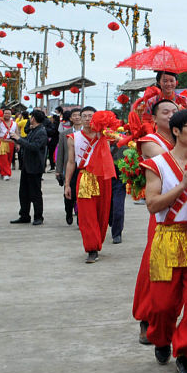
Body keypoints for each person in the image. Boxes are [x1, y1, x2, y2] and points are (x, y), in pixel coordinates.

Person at [142, 109, 187, 373]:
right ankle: (161, 339)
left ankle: (186, 354)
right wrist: (184, 185)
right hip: (168, 237)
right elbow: (152, 205)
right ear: (175, 131)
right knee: (162, 305)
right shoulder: (157, 164)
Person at [131, 99, 180, 344]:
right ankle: (146, 317)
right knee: (154, 264)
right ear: (154, 118)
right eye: (165, 111)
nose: (171, 115)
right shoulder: (150, 143)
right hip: (164, 214)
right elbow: (173, 162)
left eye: (175, 112)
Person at [64, 106, 116, 263]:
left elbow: (121, 140)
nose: (87, 119)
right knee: (87, 215)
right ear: (79, 118)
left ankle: (97, 243)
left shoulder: (105, 135)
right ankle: (91, 249)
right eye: (84, 116)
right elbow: (71, 162)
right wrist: (67, 184)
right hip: (85, 177)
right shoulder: (73, 137)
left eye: (90, 116)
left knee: (102, 213)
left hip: (103, 178)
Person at [10, 110, 48, 225]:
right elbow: (27, 141)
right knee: (24, 192)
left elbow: (34, 147)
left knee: (35, 193)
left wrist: (19, 139)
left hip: (35, 167)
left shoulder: (41, 132)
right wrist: (17, 139)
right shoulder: (33, 130)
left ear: (33, 118)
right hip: (27, 166)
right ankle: (24, 215)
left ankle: (38, 216)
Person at [55, 108, 80, 225]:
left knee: (82, 192)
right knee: (69, 191)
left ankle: (80, 216)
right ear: (70, 118)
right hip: (68, 166)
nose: (77, 117)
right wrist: (58, 170)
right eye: (74, 115)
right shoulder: (65, 134)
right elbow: (60, 153)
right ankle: (68, 212)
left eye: (79, 115)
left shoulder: (88, 133)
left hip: (82, 167)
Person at [0, 111, 17, 180]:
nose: (7, 115)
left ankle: (3, 172)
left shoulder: (15, 123)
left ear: (11, 115)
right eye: (5, 113)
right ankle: (6, 173)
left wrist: (17, 143)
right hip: (1, 142)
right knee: (2, 159)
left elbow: (17, 133)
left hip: (11, 142)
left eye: (8, 113)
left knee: (9, 159)